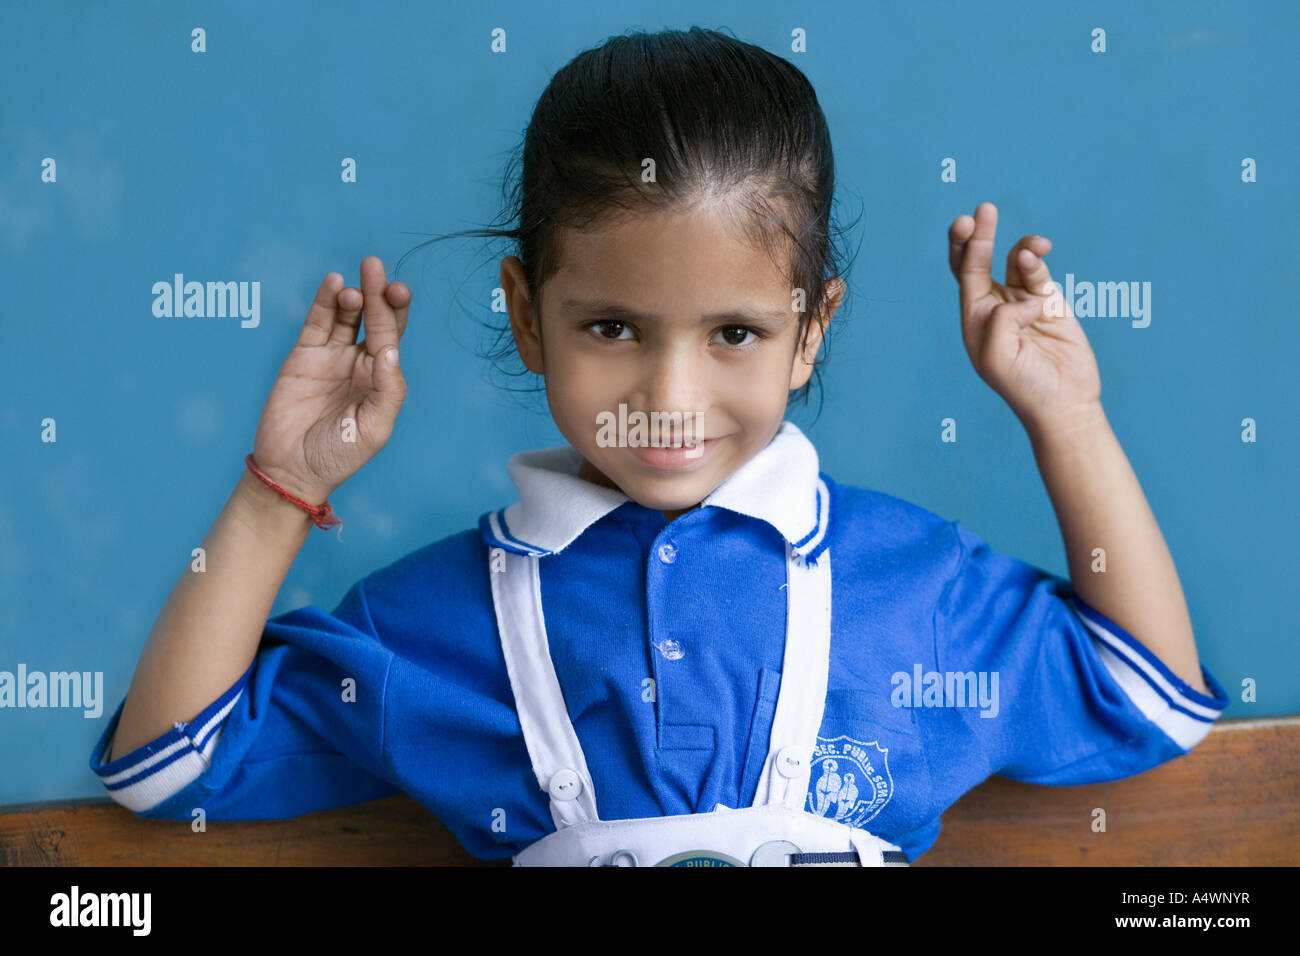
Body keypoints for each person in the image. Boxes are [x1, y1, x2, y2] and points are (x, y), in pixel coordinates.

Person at [89, 27, 1227, 866]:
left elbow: (1149, 697)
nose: (668, 395)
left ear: (809, 331)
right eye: (611, 327)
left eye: (735, 331)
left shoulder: (914, 586)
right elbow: (168, 766)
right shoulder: (436, 623)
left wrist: (1064, 416)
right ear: (528, 315)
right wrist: (283, 485)